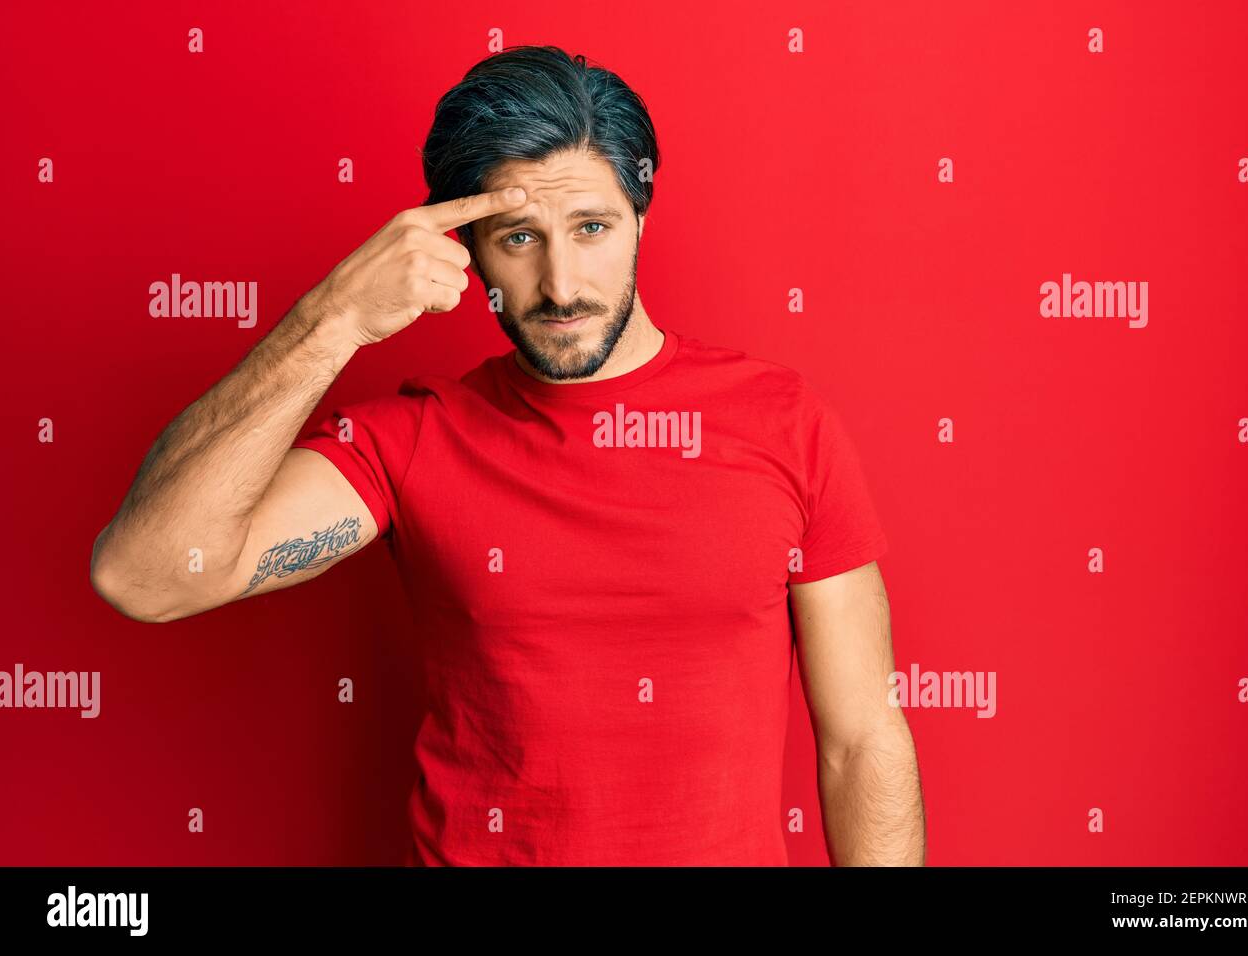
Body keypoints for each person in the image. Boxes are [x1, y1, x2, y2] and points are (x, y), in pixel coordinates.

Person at [89, 45, 924, 866]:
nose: (561, 285)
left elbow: (860, 739)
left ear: (641, 216)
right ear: (464, 247)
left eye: (591, 228)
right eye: (518, 239)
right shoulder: (410, 440)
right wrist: (333, 319)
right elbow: (148, 576)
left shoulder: (782, 422)